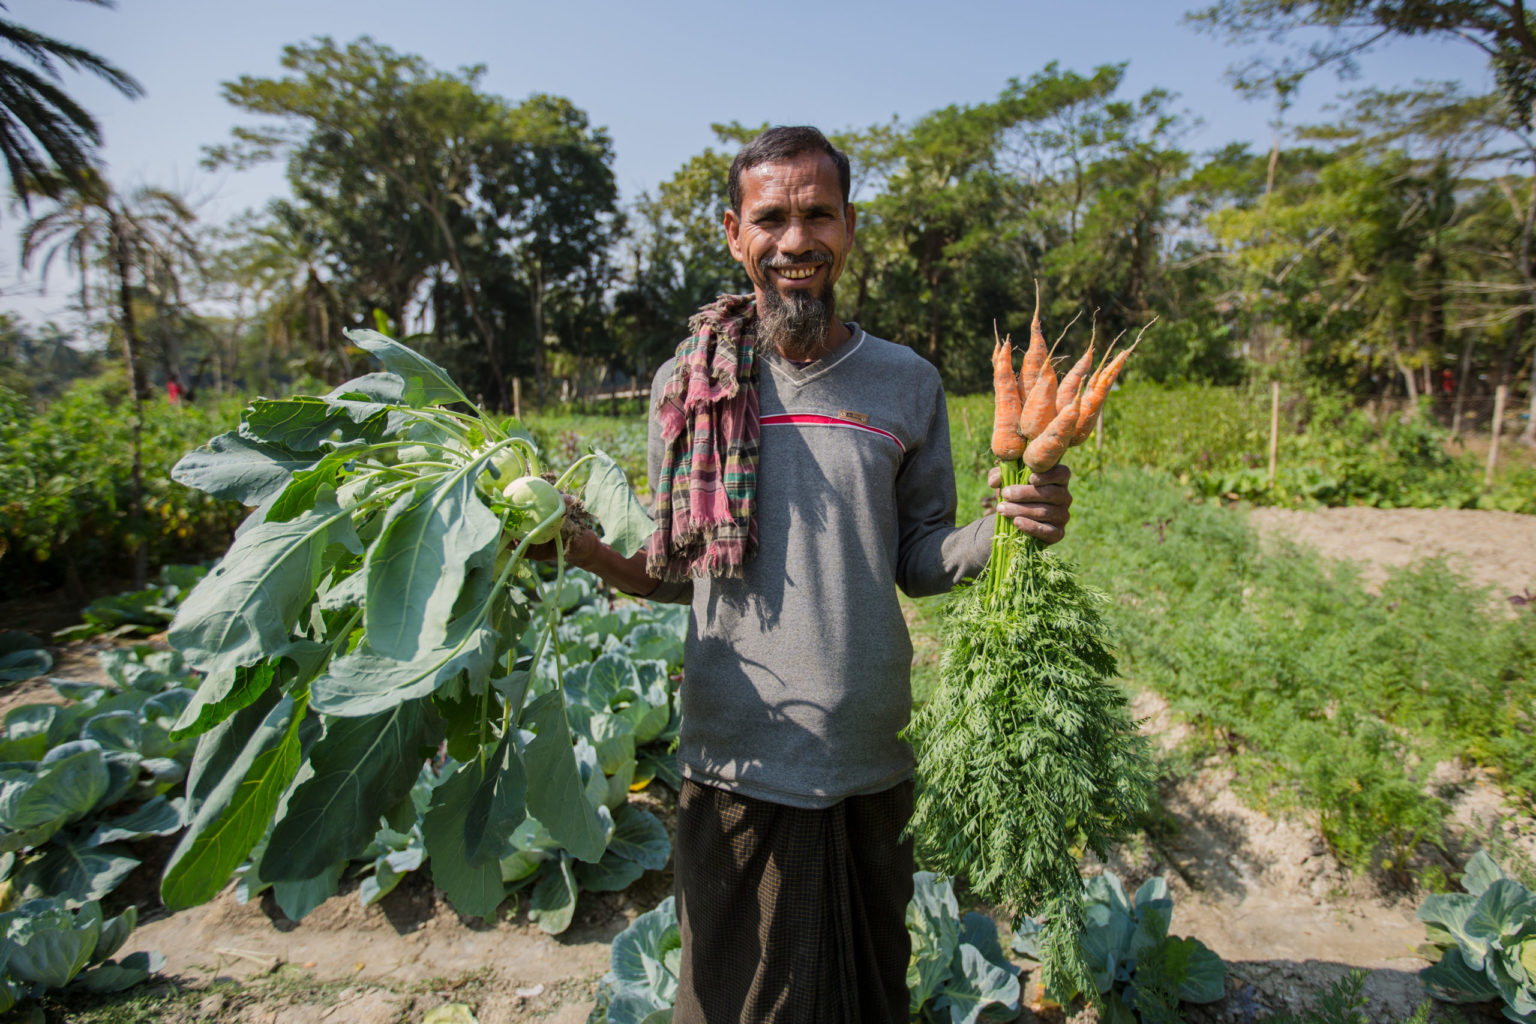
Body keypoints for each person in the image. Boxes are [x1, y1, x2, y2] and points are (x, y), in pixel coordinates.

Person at [555, 126, 1071, 1023]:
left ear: (850, 226)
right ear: (733, 233)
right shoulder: (692, 382)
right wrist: (582, 551)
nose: (796, 242)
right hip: (739, 756)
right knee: (732, 1002)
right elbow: (679, 569)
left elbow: (918, 556)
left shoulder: (905, 383)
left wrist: (1009, 532)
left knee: (869, 990)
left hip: (872, 755)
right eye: (772, 218)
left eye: (817, 215)